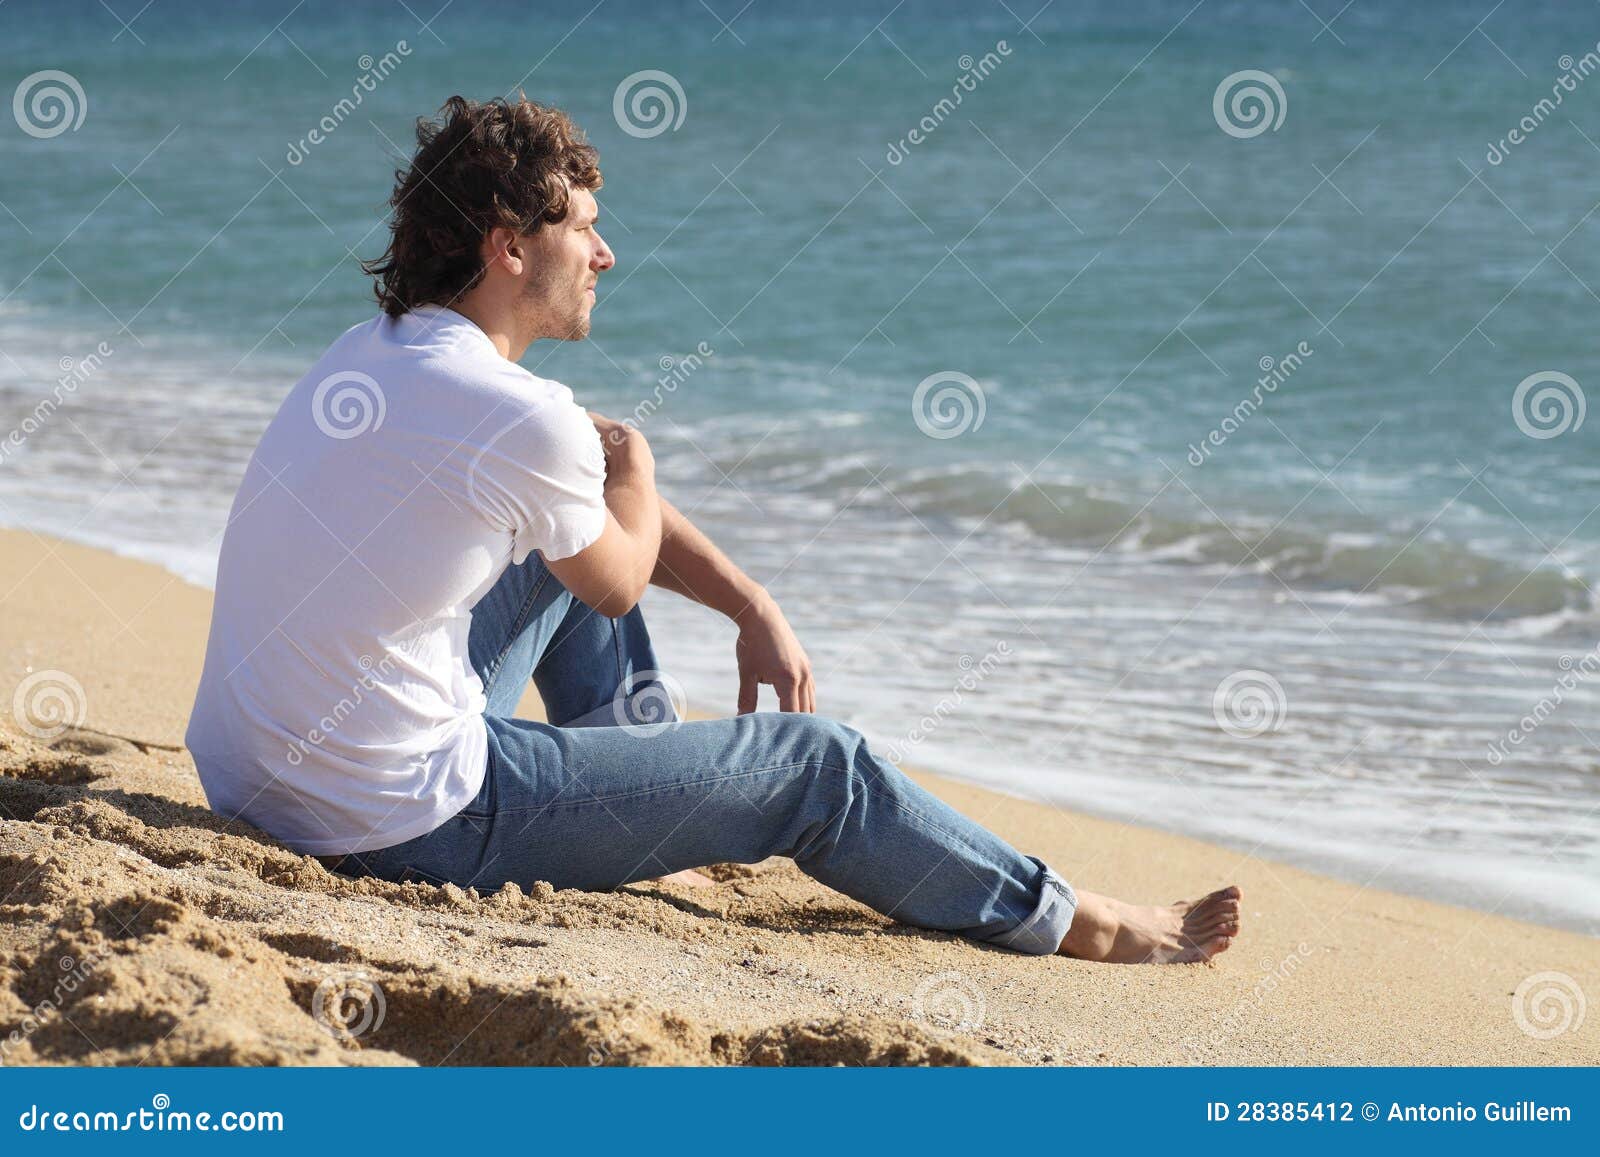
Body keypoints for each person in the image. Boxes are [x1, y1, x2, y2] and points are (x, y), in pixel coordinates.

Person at [185, 95, 1240, 964]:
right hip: (400, 820)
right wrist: (638, 466)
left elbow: (584, 503)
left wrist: (750, 602)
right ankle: (1074, 918)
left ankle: (633, 802)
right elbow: (615, 574)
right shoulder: (517, 415)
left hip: (254, 777)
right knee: (816, 767)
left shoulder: (378, 350)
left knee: (563, 541)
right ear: (507, 246)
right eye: (582, 226)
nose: (605, 252)